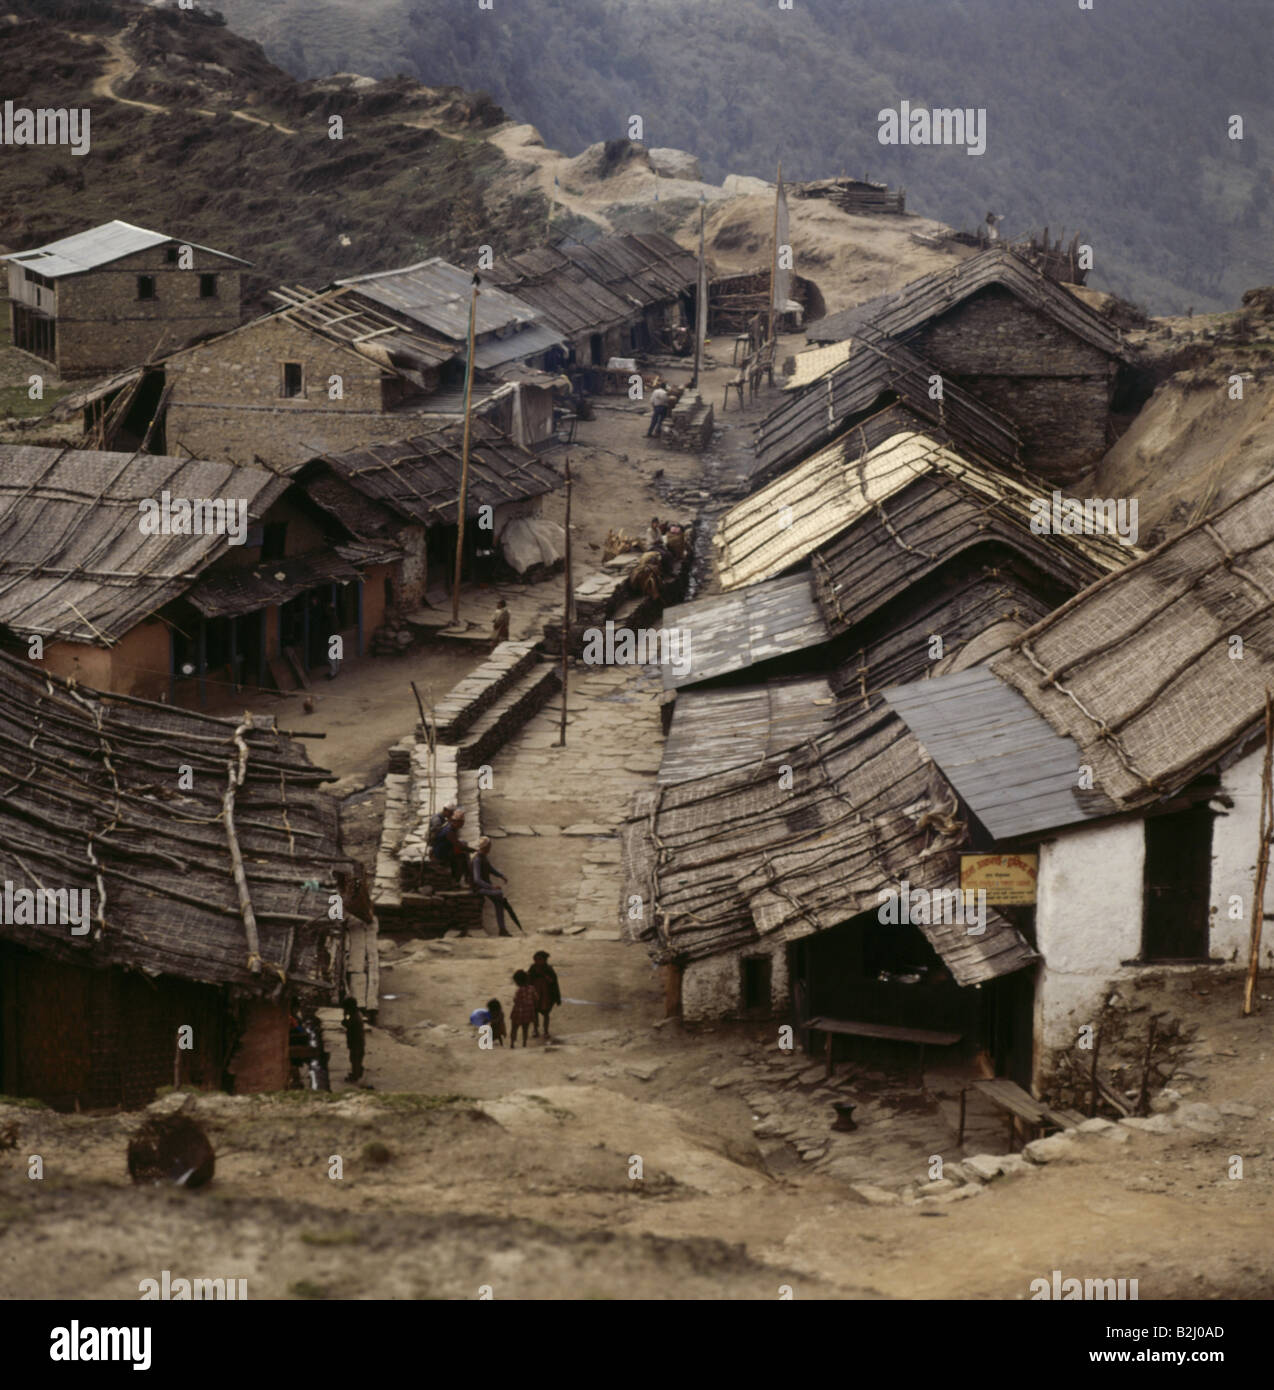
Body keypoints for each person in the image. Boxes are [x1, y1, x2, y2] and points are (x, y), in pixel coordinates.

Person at [471, 835, 524, 936]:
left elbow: (490, 869)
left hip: (484, 886)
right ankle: (502, 929)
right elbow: (477, 880)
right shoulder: (477, 860)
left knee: (499, 902)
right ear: (486, 847)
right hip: (478, 888)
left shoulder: (483, 857)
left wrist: (501, 876)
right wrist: (491, 887)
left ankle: (502, 929)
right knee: (499, 894)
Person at [431, 808, 471, 885]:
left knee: (464, 849)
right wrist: (471, 850)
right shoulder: (449, 831)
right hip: (441, 852)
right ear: (457, 822)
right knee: (462, 858)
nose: (463, 824)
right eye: (462, 822)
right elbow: (458, 845)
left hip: (445, 847)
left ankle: (466, 878)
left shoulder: (451, 826)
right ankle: (457, 879)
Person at [528, 951, 561, 1039]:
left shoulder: (549, 969)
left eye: (539, 959)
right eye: (536, 959)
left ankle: (546, 1030)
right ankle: (535, 1029)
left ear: (545, 960)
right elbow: (529, 980)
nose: (537, 961)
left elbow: (554, 984)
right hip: (535, 994)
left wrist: (557, 998)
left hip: (546, 996)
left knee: (546, 1014)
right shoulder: (533, 968)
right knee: (535, 1013)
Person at [510, 970, 538, 1047]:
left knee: (514, 1028)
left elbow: (516, 1000)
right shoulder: (532, 988)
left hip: (518, 1012)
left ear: (518, 981)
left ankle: (512, 1043)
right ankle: (524, 1043)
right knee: (525, 1029)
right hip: (528, 1012)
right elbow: (536, 998)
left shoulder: (519, 990)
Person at [340, 996, 365, 1084]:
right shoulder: (355, 1014)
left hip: (356, 1041)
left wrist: (344, 1015)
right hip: (356, 1041)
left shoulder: (354, 1017)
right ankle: (357, 1072)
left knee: (355, 1058)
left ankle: (356, 1075)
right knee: (354, 1058)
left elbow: (345, 1023)